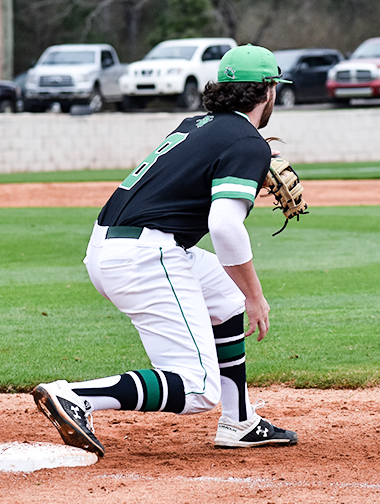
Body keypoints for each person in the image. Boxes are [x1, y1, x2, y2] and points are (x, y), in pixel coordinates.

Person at [32, 44, 298, 457]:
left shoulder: (198, 125)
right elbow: (224, 226)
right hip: (145, 257)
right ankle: (75, 396)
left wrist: (246, 160)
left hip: (112, 246)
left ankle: (240, 421)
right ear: (268, 92)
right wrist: (256, 296)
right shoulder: (248, 141)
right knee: (195, 388)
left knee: (223, 298)